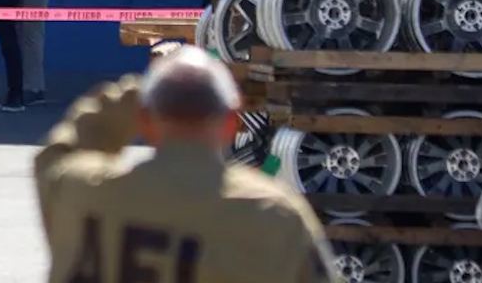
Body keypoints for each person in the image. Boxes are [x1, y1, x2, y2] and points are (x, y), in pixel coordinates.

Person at [33, 47, 338, 283]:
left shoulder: (83, 192)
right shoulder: (274, 213)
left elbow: (59, 153)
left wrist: (140, 91)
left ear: (145, 122)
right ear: (232, 123)